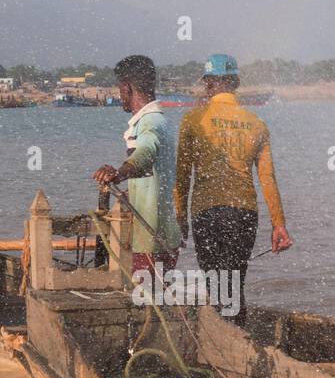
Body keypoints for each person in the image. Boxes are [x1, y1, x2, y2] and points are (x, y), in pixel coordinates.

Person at [175, 53, 292, 326]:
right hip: (243, 214)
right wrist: (279, 225)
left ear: (208, 84)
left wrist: (179, 218)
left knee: (216, 284)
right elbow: (268, 179)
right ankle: (239, 340)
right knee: (235, 282)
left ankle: (225, 346)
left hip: (207, 214)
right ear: (236, 84)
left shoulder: (192, 120)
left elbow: (182, 177)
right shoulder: (256, 124)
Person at [92, 55, 182, 276]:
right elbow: (150, 172)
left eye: (120, 89)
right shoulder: (154, 120)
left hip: (152, 236)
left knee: (147, 302)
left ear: (126, 88)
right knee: (154, 299)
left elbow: (145, 155)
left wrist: (118, 173)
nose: (120, 95)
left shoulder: (151, 122)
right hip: (158, 233)